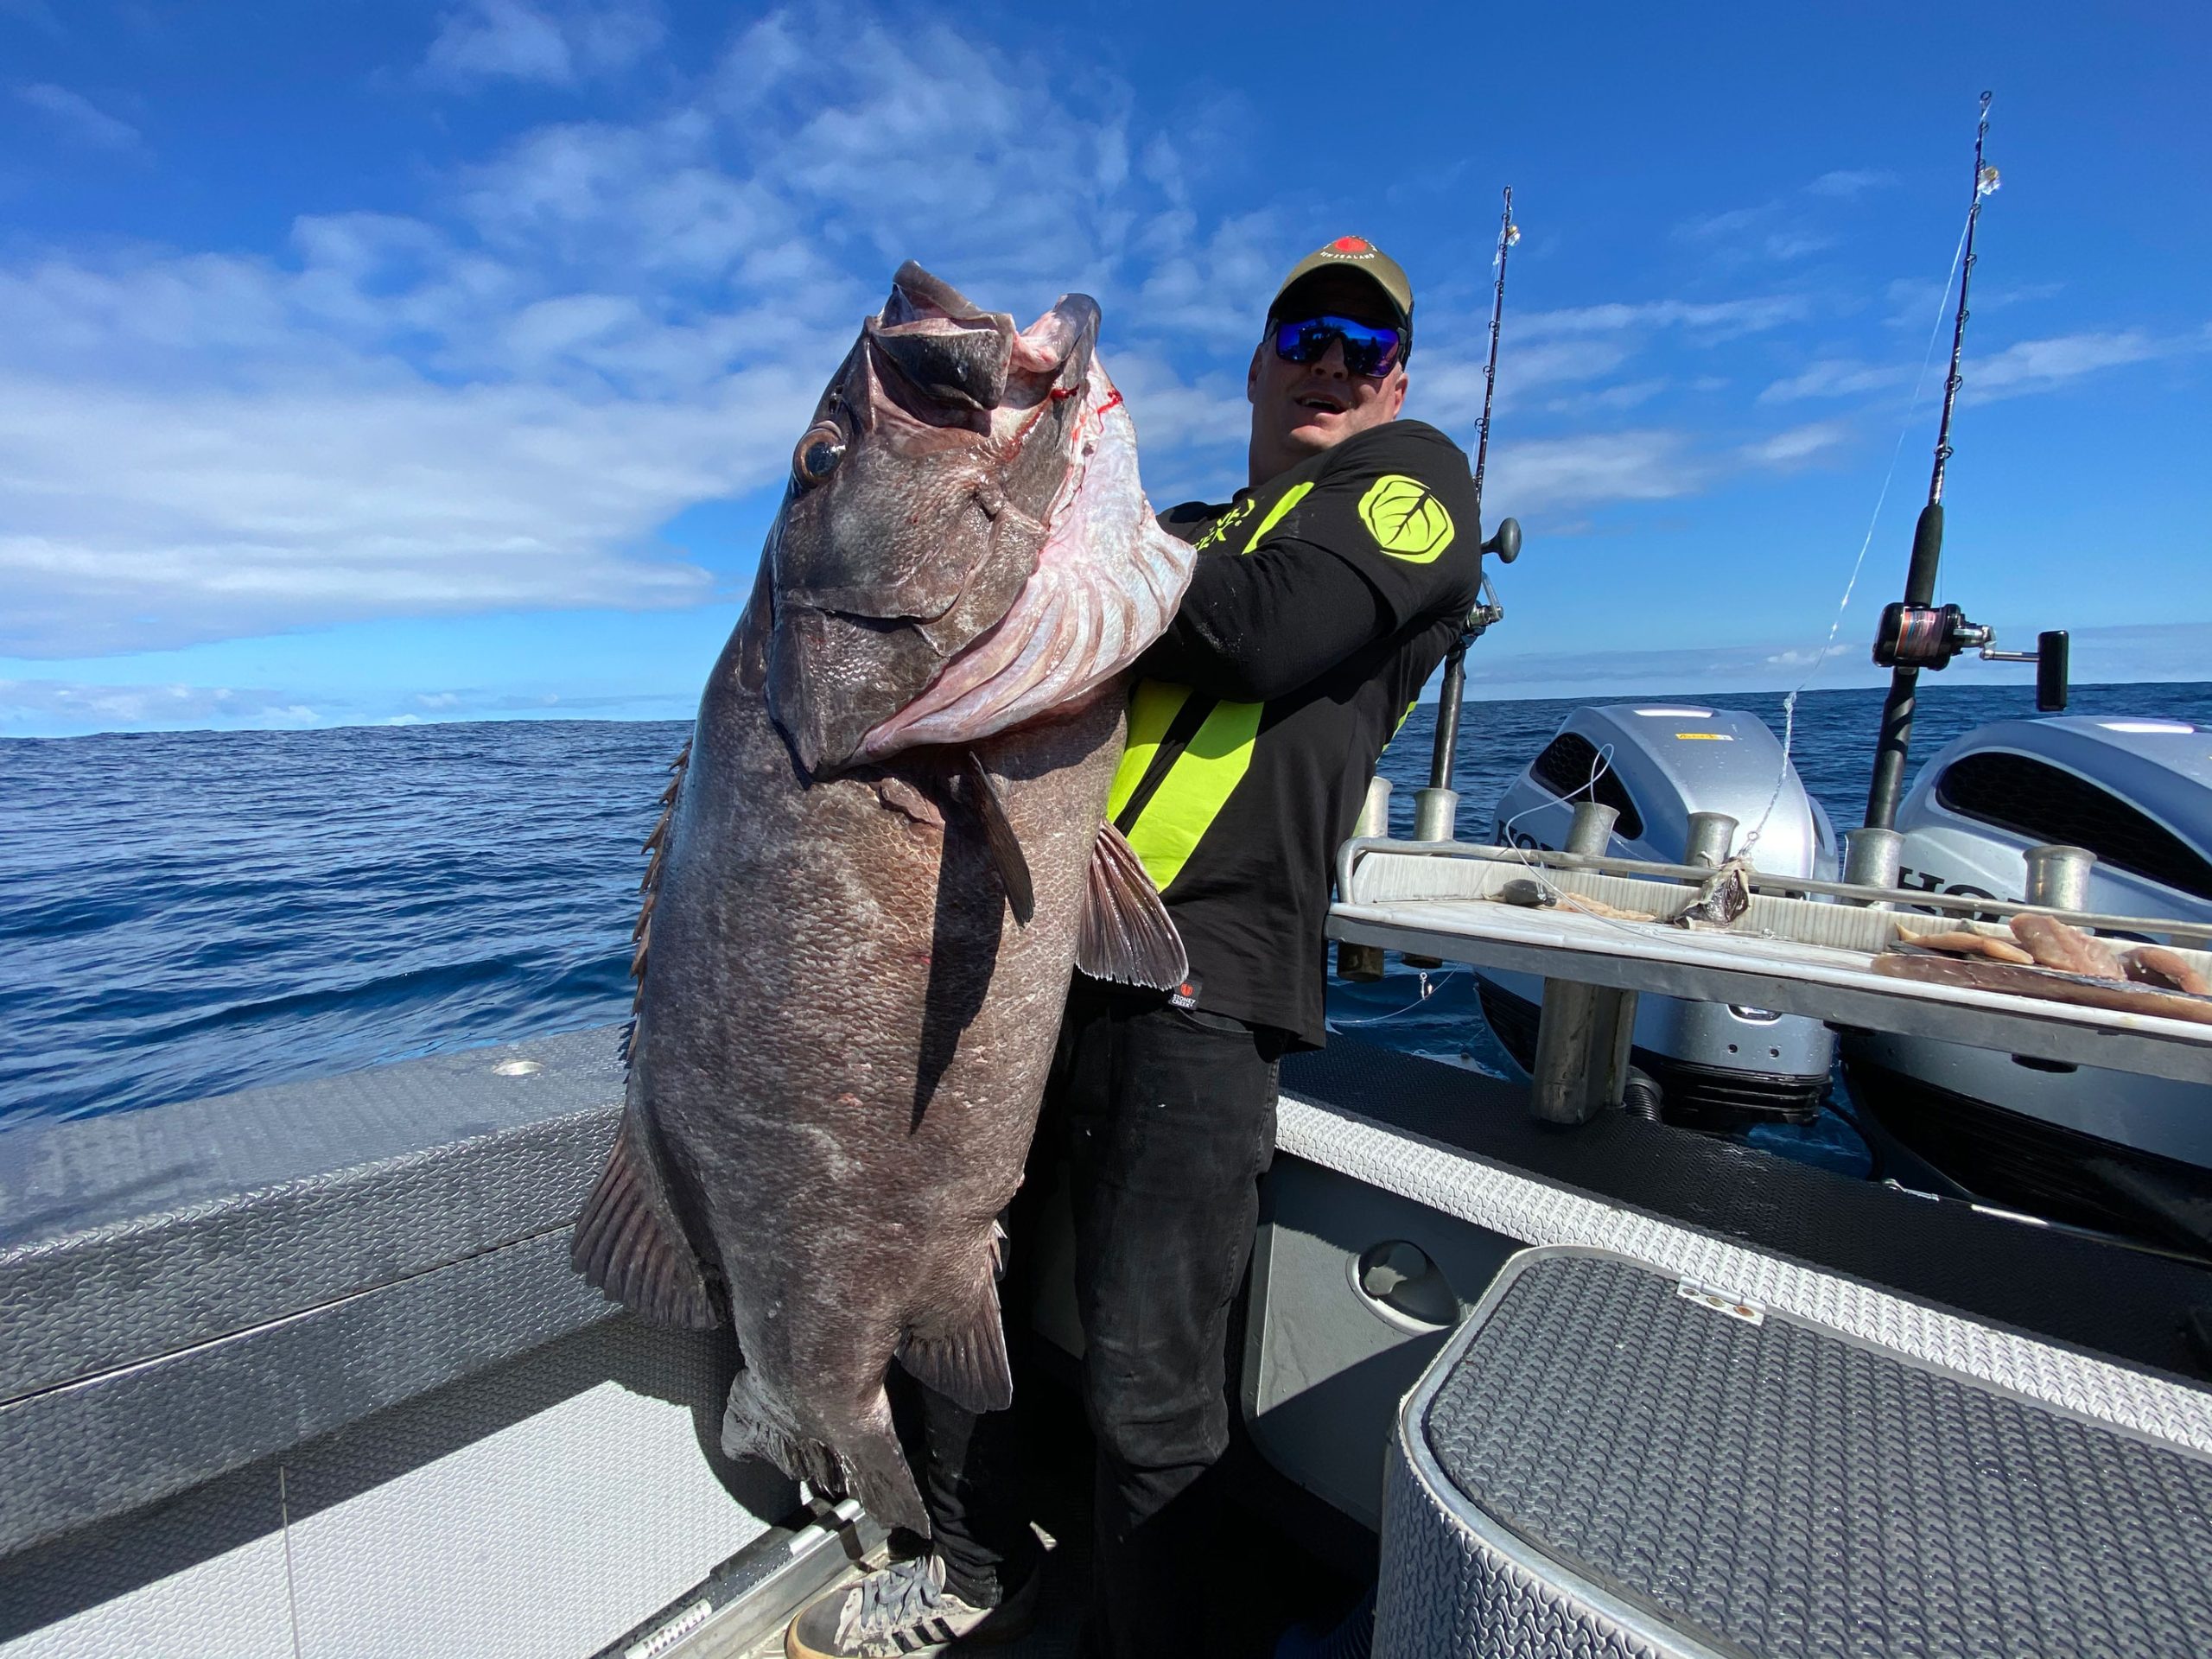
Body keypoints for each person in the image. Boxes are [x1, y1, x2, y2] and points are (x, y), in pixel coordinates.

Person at [786, 236, 1486, 1659]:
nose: (1334, 364)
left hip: (1203, 986)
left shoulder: (1411, 492)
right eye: (1306, 336)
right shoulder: (1193, 518)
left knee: (1150, 1386)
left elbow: (1271, 638)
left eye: (1365, 345)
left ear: (1398, 375)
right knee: (949, 1283)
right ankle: (977, 1565)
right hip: (1036, 957)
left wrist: (1065, 529)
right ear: (1256, 362)